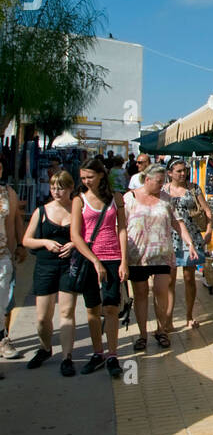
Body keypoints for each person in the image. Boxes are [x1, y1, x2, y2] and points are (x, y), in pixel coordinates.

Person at [124, 165, 198, 350]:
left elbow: (177, 221)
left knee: (161, 291)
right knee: (140, 294)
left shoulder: (166, 199)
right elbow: (121, 226)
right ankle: (142, 335)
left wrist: (189, 242)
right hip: (137, 256)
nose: (161, 185)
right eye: (158, 182)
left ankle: (161, 330)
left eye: (162, 181)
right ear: (147, 180)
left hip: (162, 255)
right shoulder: (130, 198)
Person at [70, 155, 129, 379]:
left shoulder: (115, 198)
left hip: (113, 257)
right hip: (89, 258)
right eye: (83, 178)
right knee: (92, 308)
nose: (86, 181)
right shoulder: (79, 199)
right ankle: (98, 352)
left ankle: (112, 354)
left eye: (90, 177)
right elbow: (75, 235)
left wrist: (124, 260)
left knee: (112, 307)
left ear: (101, 175)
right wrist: (94, 261)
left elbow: (122, 229)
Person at [22, 170, 77, 373]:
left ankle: (67, 357)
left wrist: (73, 244)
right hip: (45, 266)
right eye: (53, 187)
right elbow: (27, 240)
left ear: (70, 188)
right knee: (43, 317)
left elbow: (87, 236)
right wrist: (45, 242)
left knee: (66, 312)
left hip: (68, 265)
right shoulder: (41, 211)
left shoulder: (77, 210)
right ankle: (45, 348)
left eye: (60, 188)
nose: (56, 191)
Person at [162, 161, 212, 330]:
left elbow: (207, 210)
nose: (183, 174)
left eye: (185, 171)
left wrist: (209, 230)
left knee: (189, 277)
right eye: (179, 171)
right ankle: (168, 318)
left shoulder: (193, 188)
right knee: (169, 279)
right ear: (170, 173)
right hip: (170, 237)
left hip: (191, 235)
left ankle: (189, 315)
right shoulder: (163, 190)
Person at [0, 154, 26, 367]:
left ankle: (3, 339)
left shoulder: (8, 193)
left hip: (3, 256)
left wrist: (20, 244)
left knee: (4, 301)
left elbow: (17, 219)